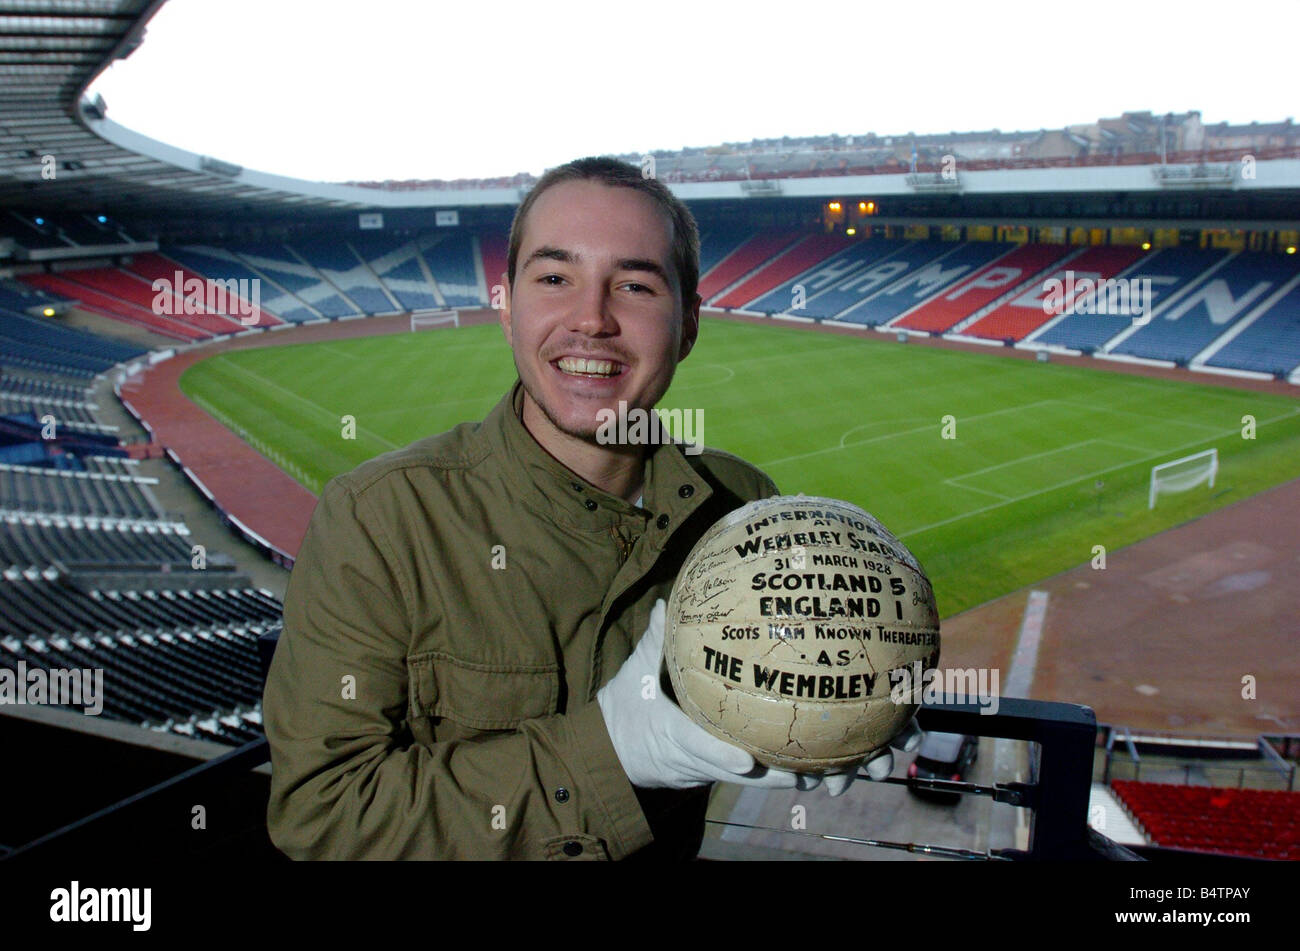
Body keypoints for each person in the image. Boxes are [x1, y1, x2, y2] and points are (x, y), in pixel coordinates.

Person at [262, 156, 916, 860]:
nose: (591, 319)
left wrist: (846, 704)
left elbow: (798, 683)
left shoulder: (746, 512)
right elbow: (323, 814)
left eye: (634, 284)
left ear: (689, 324)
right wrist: (607, 751)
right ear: (506, 303)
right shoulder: (378, 519)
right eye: (554, 278)